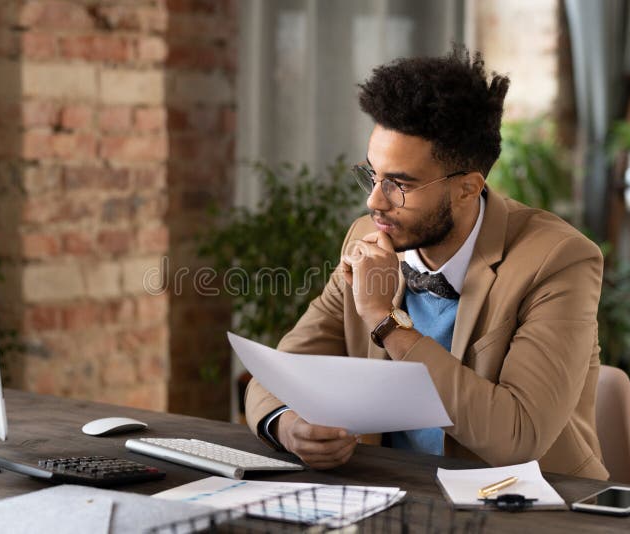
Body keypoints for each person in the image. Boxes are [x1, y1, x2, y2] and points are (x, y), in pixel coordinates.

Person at [244, 45, 609, 480]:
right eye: (372, 175)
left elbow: (518, 437)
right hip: (397, 493)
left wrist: (386, 323)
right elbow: (279, 372)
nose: (373, 200)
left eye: (399, 184)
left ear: (467, 189)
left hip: (526, 506)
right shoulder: (368, 240)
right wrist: (288, 426)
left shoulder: (558, 261)